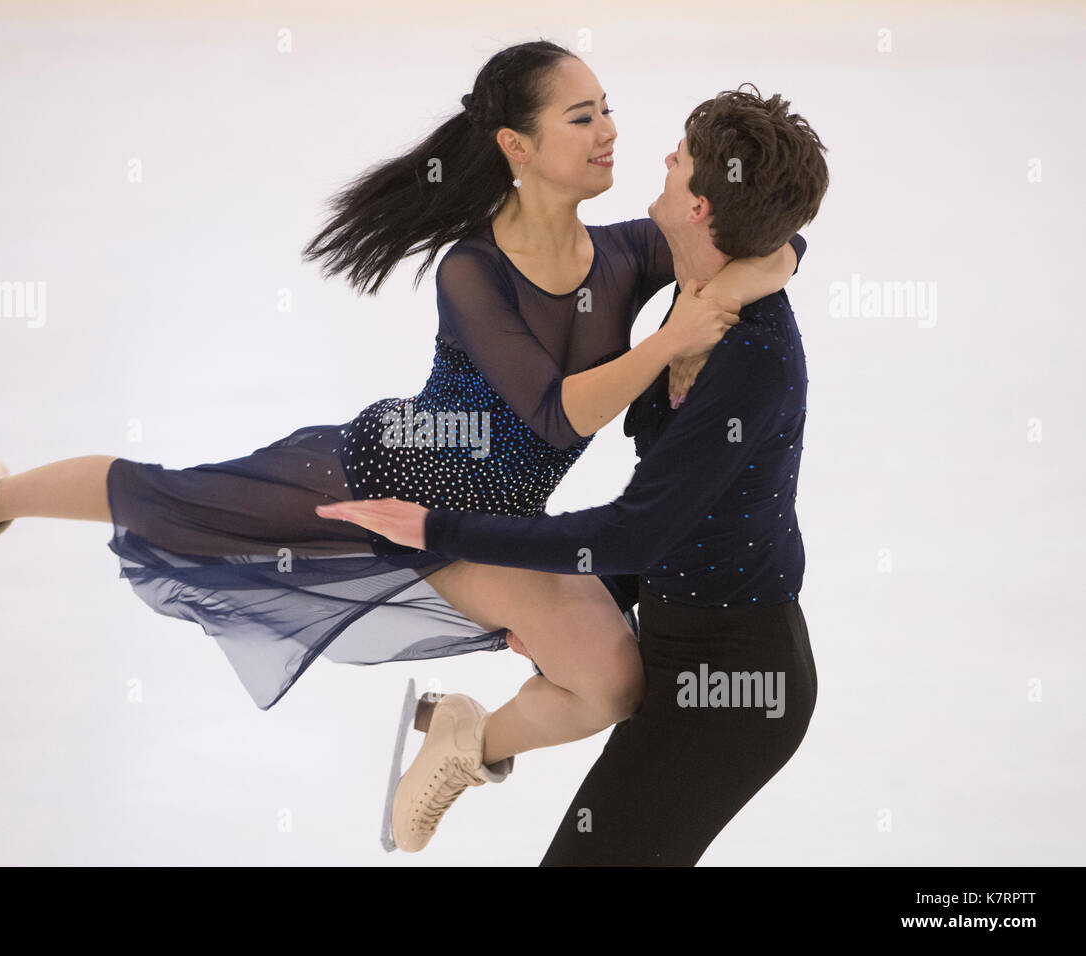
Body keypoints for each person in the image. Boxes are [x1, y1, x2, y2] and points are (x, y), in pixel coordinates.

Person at [0, 43, 803, 855]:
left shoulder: (629, 253)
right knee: (169, 500)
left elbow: (762, 233)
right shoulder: (473, 270)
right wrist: (673, 339)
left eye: (608, 112)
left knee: (610, 683)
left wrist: (773, 262)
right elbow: (557, 418)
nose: (611, 134)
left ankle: (464, 739)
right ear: (517, 146)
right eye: (583, 118)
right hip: (383, 473)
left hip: (478, 524)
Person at [319, 85, 829, 864]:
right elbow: (679, 520)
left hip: (734, 695)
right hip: (672, 639)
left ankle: (468, 739)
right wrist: (588, 614)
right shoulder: (700, 294)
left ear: (699, 209)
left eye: (682, 159)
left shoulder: (751, 360)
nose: (663, 158)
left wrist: (440, 529)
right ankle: (466, 737)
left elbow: (639, 526)